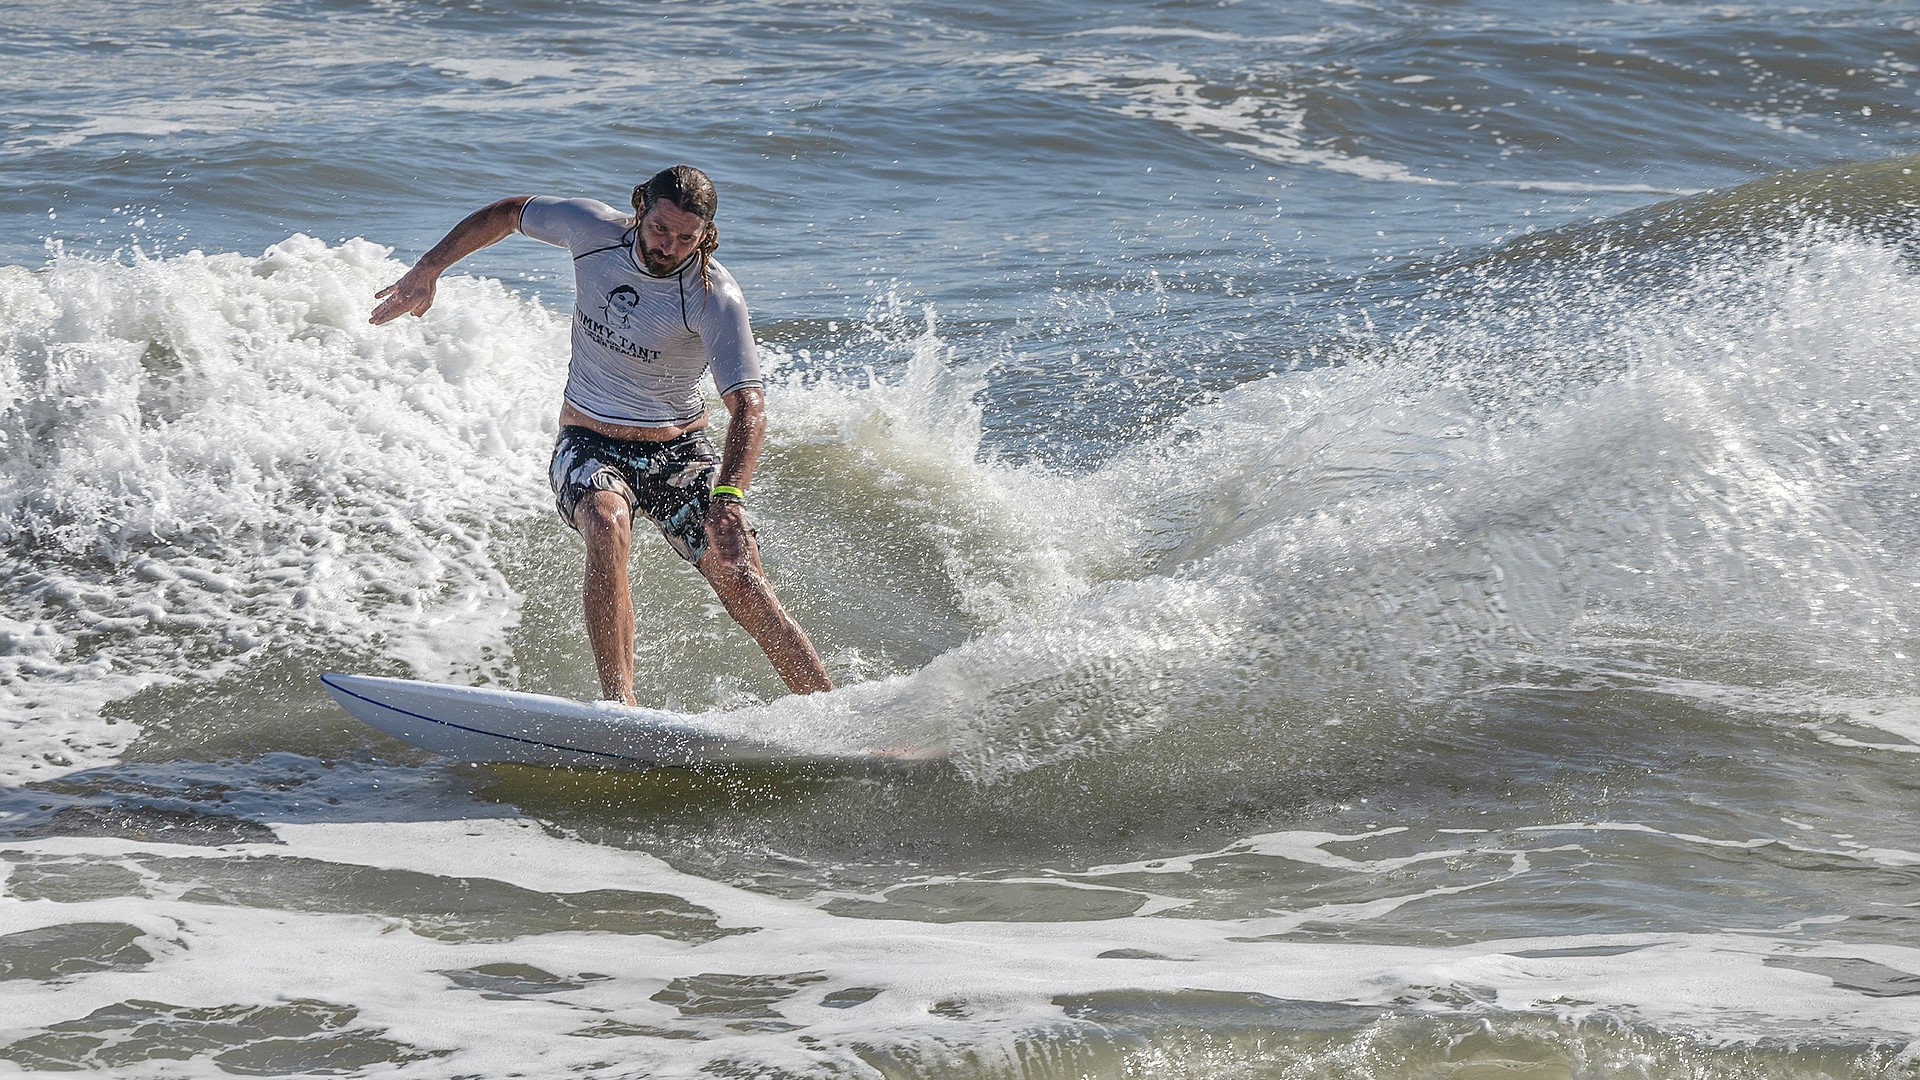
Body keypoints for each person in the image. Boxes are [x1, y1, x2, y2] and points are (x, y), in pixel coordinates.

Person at [370, 165, 833, 704]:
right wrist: (428, 270)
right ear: (639, 207)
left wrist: (728, 501)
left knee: (740, 574)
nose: (670, 246)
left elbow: (748, 408)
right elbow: (506, 215)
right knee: (607, 521)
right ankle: (620, 707)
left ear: (706, 233)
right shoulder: (590, 230)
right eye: (661, 228)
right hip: (589, 443)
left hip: (679, 452)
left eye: (688, 237)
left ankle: (830, 713)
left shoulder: (715, 297)